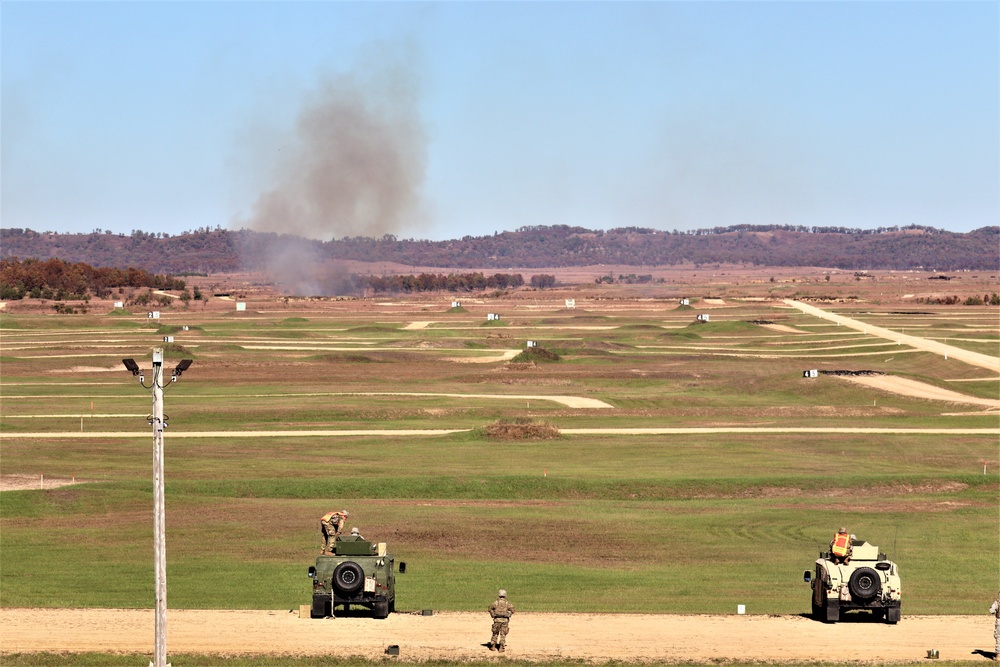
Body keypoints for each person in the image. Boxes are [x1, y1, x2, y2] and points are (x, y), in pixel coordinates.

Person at [990, 591, 1000, 660]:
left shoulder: (997, 602)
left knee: (998, 637)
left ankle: (998, 656)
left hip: (999, 621)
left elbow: (991, 610)